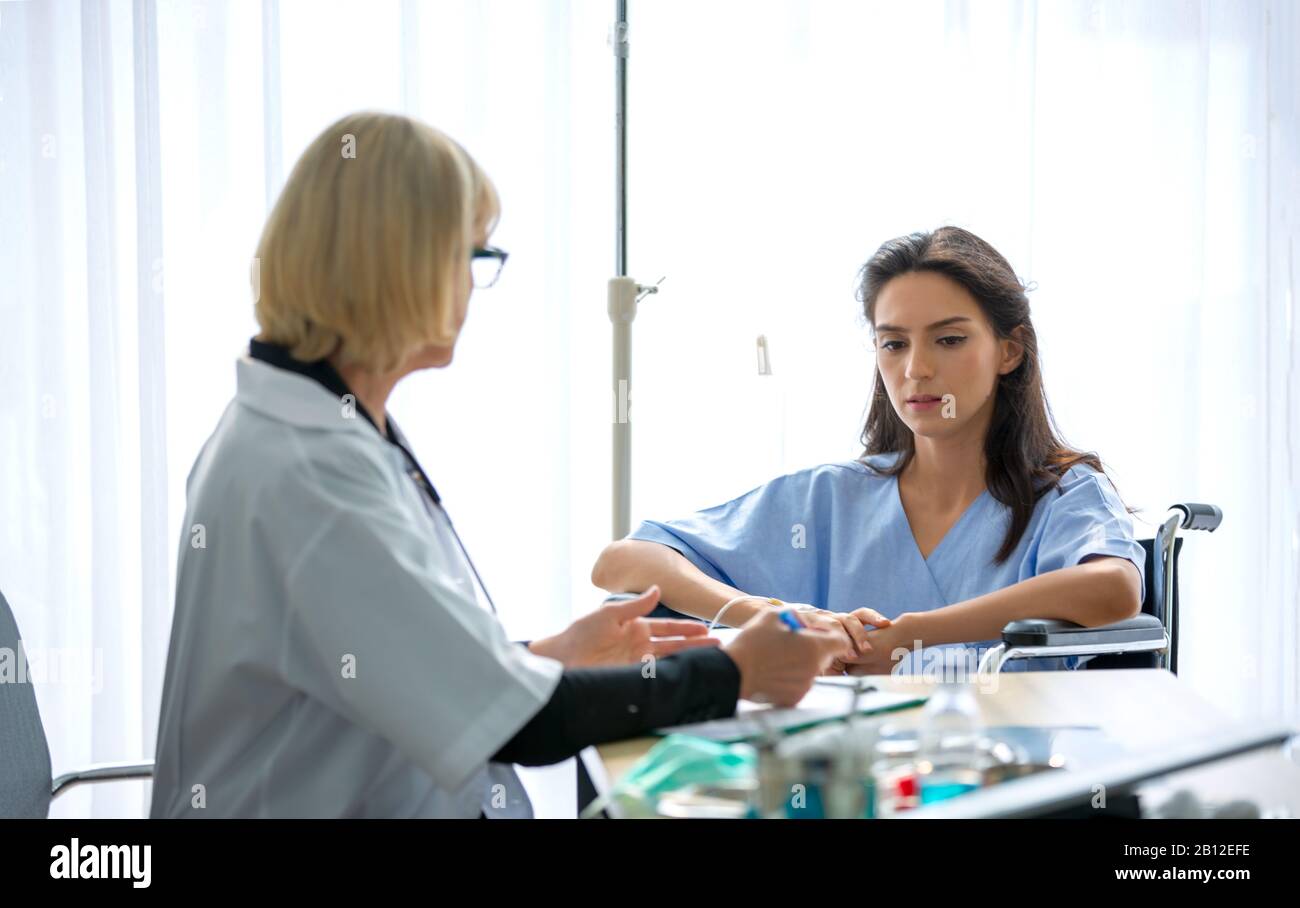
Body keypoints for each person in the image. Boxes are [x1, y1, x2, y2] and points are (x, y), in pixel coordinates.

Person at [149, 111, 843, 819]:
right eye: (471, 258)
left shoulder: (319, 424)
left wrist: (545, 655)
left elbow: (379, 650)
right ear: (401, 264)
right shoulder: (307, 468)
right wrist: (734, 670)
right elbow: (527, 725)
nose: (471, 291)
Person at [591, 226, 1145, 676]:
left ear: (1009, 350)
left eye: (949, 340)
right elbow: (621, 562)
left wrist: (908, 637)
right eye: (894, 343)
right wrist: (763, 611)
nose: (916, 369)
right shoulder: (828, 498)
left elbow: (1113, 588)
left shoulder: (1063, 494)